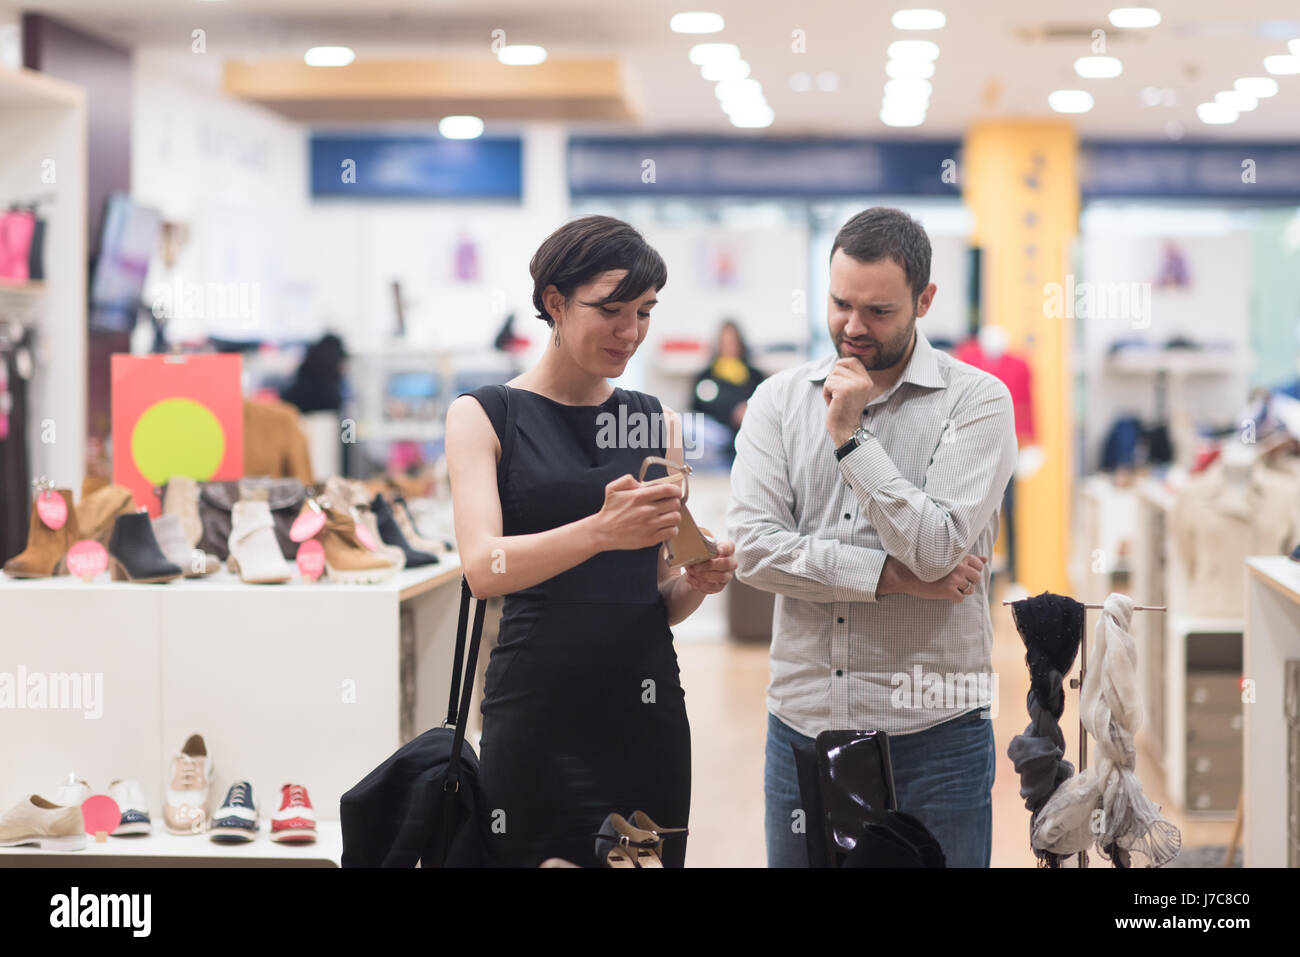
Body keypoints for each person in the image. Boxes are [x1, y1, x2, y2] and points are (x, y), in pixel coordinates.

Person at [727, 207, 1018, 868]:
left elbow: (939, 549)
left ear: (925, 300)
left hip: (936, 733)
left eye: (879, 311)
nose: (853, 328)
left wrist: (850, 437)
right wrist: (893, 577)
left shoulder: (978, 402)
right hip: (803, 723)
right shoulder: (777, 400)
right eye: (839, 303)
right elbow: (753, 547)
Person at [444, 215, 738, 867]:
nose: (630, 332)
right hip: (535, 716)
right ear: (554, 300)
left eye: (644, 311)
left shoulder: (655, 421)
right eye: (611, 310)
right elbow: (483, 568)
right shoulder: (485, 416)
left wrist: (694, 579)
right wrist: (598, 531)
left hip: (645, 714)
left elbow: (654, 595)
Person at [691, 319, 765, 462]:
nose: (728, 347)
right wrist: (731, 412)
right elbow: (696, 409)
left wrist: (748, 410)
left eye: (732, 342)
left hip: (745, 436)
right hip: (714, 439)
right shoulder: (706, 375)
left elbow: (765, 407)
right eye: (724, 342)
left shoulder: (754, 375)